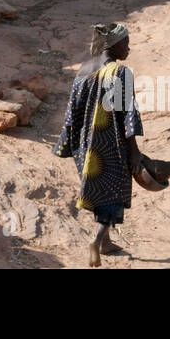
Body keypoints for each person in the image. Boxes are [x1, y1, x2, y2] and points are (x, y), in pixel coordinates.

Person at [53, 23, 143, 267]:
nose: (129, 48)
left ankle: (105, 242)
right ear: (113, 45)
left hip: (84, 143)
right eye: (125, 43)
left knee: (98, 189)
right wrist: (134, 151)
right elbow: (127, 114)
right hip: (111, 144)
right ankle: (96, 240)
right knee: (113, 192)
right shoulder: (120, 72)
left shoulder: (83, 69)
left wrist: (69, 142)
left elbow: (72, 110)